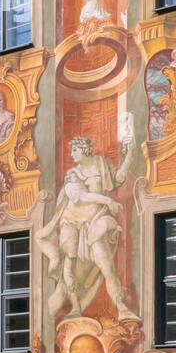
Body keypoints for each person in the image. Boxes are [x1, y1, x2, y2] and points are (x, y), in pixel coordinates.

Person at [36, 135, 138, 320]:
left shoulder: (101, 163)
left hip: (96, 220)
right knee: (70, 267)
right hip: (73, 222)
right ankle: (76, 308)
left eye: (75, 150)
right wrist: (108, 200)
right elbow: (80, 197)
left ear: (84, 148)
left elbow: (118, 178)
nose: (72, 154)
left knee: (106, 265)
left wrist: (130, 155)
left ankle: (121, 308)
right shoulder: (73, 174)